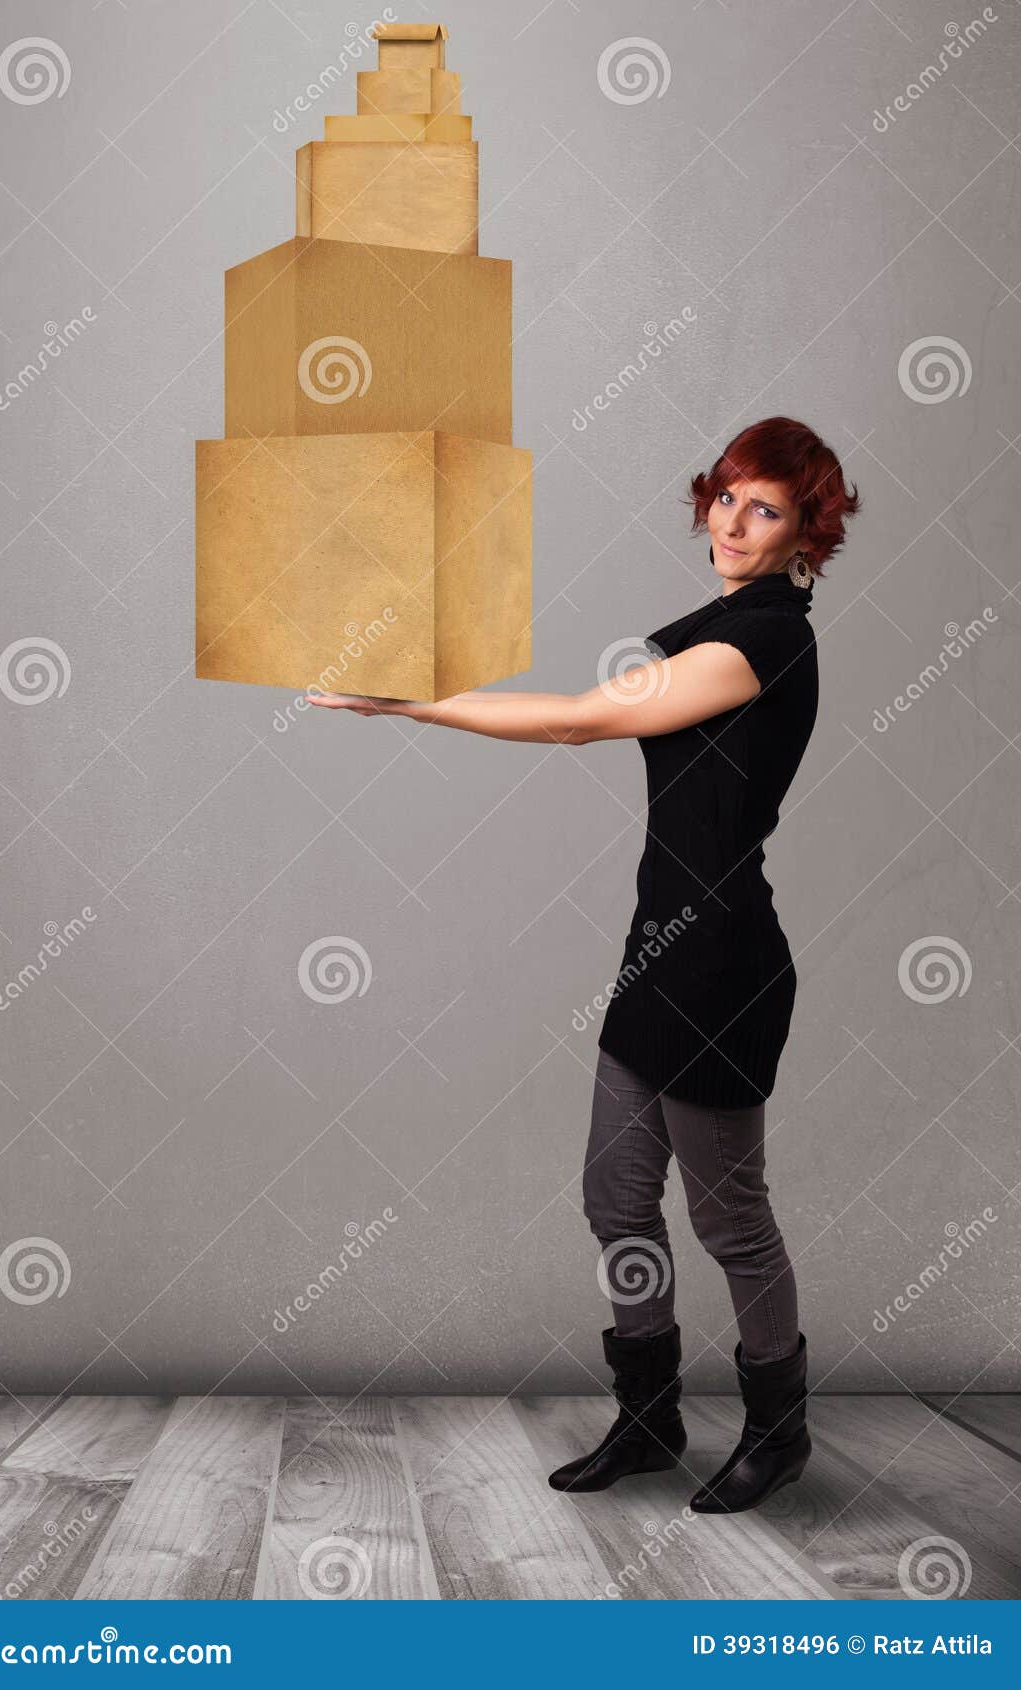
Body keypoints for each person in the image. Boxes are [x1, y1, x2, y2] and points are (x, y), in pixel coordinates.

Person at [310, 415, 860, 1514]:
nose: (732, 521)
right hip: (659, 952)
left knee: (727, 1221)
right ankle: (649, 1417)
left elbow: (575, 720)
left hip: (722, 971)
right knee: (614, 1200)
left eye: (764, 507)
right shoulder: (722, 624)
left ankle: (776, 1429)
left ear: (806, 532)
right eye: (724, 496)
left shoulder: (764, 640)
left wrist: (410, 703)